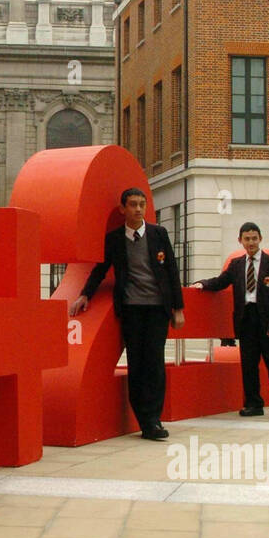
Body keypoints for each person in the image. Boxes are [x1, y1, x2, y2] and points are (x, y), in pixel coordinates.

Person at [69, 188, 185, 440]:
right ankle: (145, 421)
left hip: (158, 309)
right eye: (133, 204)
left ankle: (154, 418)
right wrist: (85, 294)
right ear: (123, 209)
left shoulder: (158, 234)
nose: (138, 209)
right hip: (131, 309)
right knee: (136, 364)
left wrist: (178, 308)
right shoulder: (114, 239)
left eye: (142, 204)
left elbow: (172, 272)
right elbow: (100, 270)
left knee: (154, 364)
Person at [191, 222, 269, 419]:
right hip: (246, 319)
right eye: (247, 239)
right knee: (249, 365)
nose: (251, 242)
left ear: (260, 239)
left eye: (254, 238)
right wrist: (203, 284)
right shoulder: (237, 265)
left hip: (267, 321)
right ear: (240, 241)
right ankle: (253, 404)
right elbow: (221, 281)